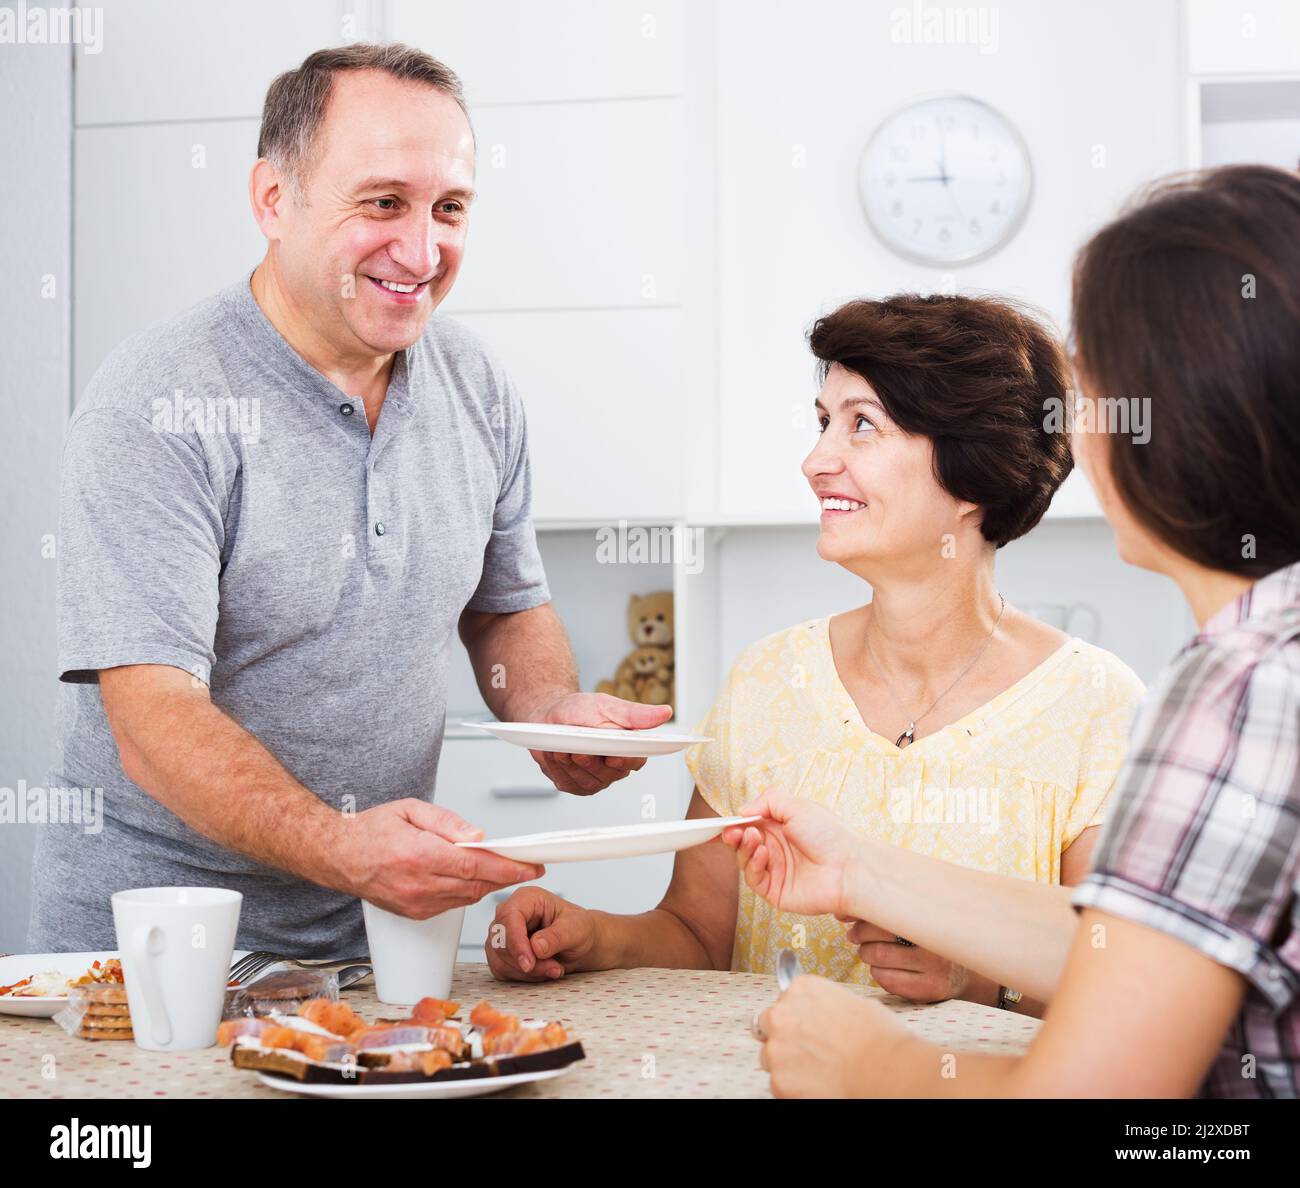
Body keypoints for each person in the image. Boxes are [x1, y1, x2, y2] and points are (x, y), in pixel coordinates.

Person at [27, 43, 670, 959]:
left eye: (449, 208)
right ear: (272, 200)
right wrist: (343, 848)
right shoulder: (159, 400)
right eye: (382, 203)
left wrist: (549, 708)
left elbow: (506, 608)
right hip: (149, 959)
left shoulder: (476, 385)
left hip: (374, 949)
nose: (421, 249)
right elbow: (153, 716)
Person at [729, 164, 1300, 1098]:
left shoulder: (1243, 688)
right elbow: (1136, 941)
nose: (1076, 427)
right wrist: (863, 871)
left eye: (1096, 389)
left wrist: (880, 1068)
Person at [488, 293, 1143, 1014]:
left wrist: (980, 982)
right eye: (823, 422)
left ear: (973, 471)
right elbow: (700, 939)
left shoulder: (1096, 707)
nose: (815, 461)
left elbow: (1126, 987)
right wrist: (593, 937)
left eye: (863, 425)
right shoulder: (769, 680)